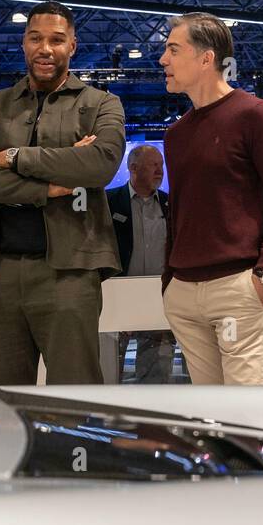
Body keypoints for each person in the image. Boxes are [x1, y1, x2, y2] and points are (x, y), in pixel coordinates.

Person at [0, 0, 125, 385]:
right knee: (1, 404)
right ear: (24, 44)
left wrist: (13, 156)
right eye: (36, 38)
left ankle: (77, 451)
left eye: (56, 40)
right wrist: (47, 188)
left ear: (72, 46)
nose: (45, 48)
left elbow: (99, 164)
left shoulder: (100, 104)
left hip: (70, 272)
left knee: (75, 401)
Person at [158, 12, 263, 386]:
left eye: (174, 49)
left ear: (206, 58)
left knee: (243, 417)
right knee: (209, 416)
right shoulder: (176, 135)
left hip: (238, 287)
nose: (163, 60)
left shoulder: (258, 117)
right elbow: (180, 212)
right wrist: (170, 280)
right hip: (184, 293)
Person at [107, 144, 174, 381]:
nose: (160, 170)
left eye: (161, 165)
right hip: (118, 299)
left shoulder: (171, 204)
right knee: (111, 368)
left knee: (158, 368)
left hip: (161, 299)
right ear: (133, 168)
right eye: (154, 165)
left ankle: (153, 413)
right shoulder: (108, 203)